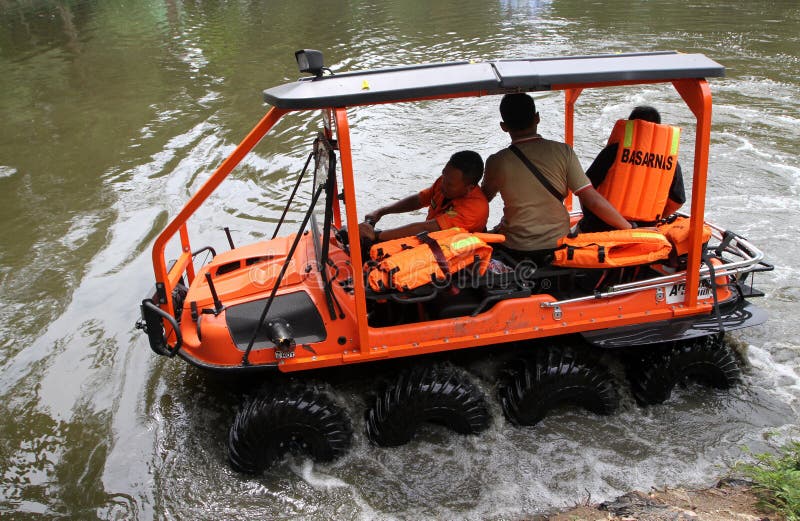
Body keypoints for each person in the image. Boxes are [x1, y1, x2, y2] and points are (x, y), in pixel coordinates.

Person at [481, 93, 631, 264]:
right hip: (559, 245)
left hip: (516, 248)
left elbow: (482, 201)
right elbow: (592, 199)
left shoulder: (497, 161)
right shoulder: (563, 152)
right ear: (537, 118)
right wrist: (629, 228)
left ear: (503, 126)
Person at [577, 106, 686, 233]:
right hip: (646, 230)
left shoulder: (614, 151)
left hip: (601, 227)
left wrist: (589, 215)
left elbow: (585, 189)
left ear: (631, 126)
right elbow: (678, 201)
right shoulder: (671, 161)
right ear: (658, 127)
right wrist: (654, 219)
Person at [359, 150, 488, 243]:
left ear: (469, 187)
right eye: (443, 175)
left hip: (449, 254)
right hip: (429, 241)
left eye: (450, 184)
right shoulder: (445, 182)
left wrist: (377, 235)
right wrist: (381, 211)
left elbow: (426, 228)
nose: (443, 184)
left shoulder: (475, 208)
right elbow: (418, 200)